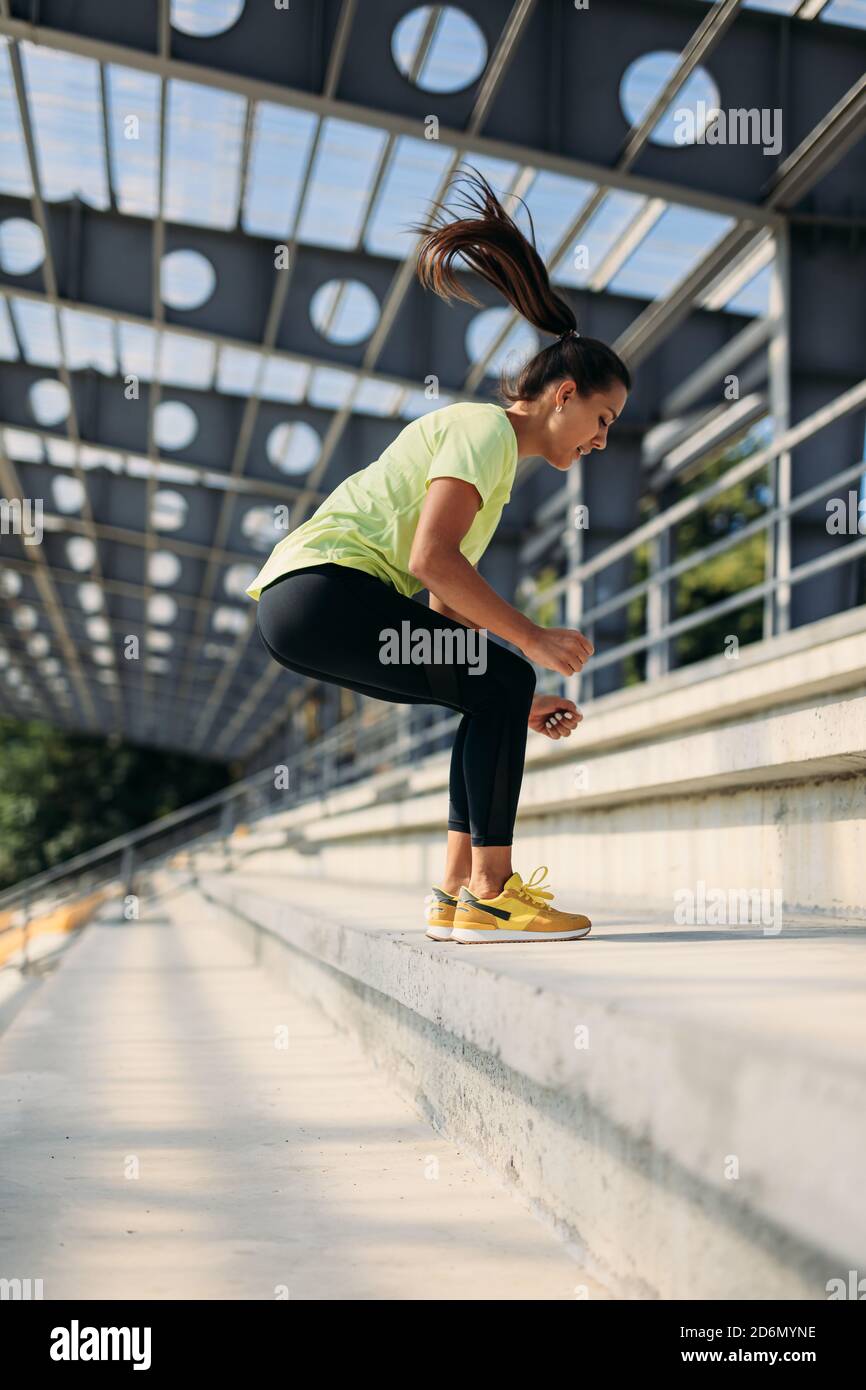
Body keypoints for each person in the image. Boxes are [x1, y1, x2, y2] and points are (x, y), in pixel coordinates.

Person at [247, 167, 631, 943]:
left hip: (305, 608)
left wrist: (511, 700)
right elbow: (431, 559)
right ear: (563, 394)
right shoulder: (483, 431)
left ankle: (458, 894)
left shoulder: (495, 472)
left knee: (494, 690)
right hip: (322, 589)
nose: (601, 440)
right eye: (602, 418)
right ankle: (491, 891)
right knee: (506, 674)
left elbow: (446, 614)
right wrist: (532, 641)